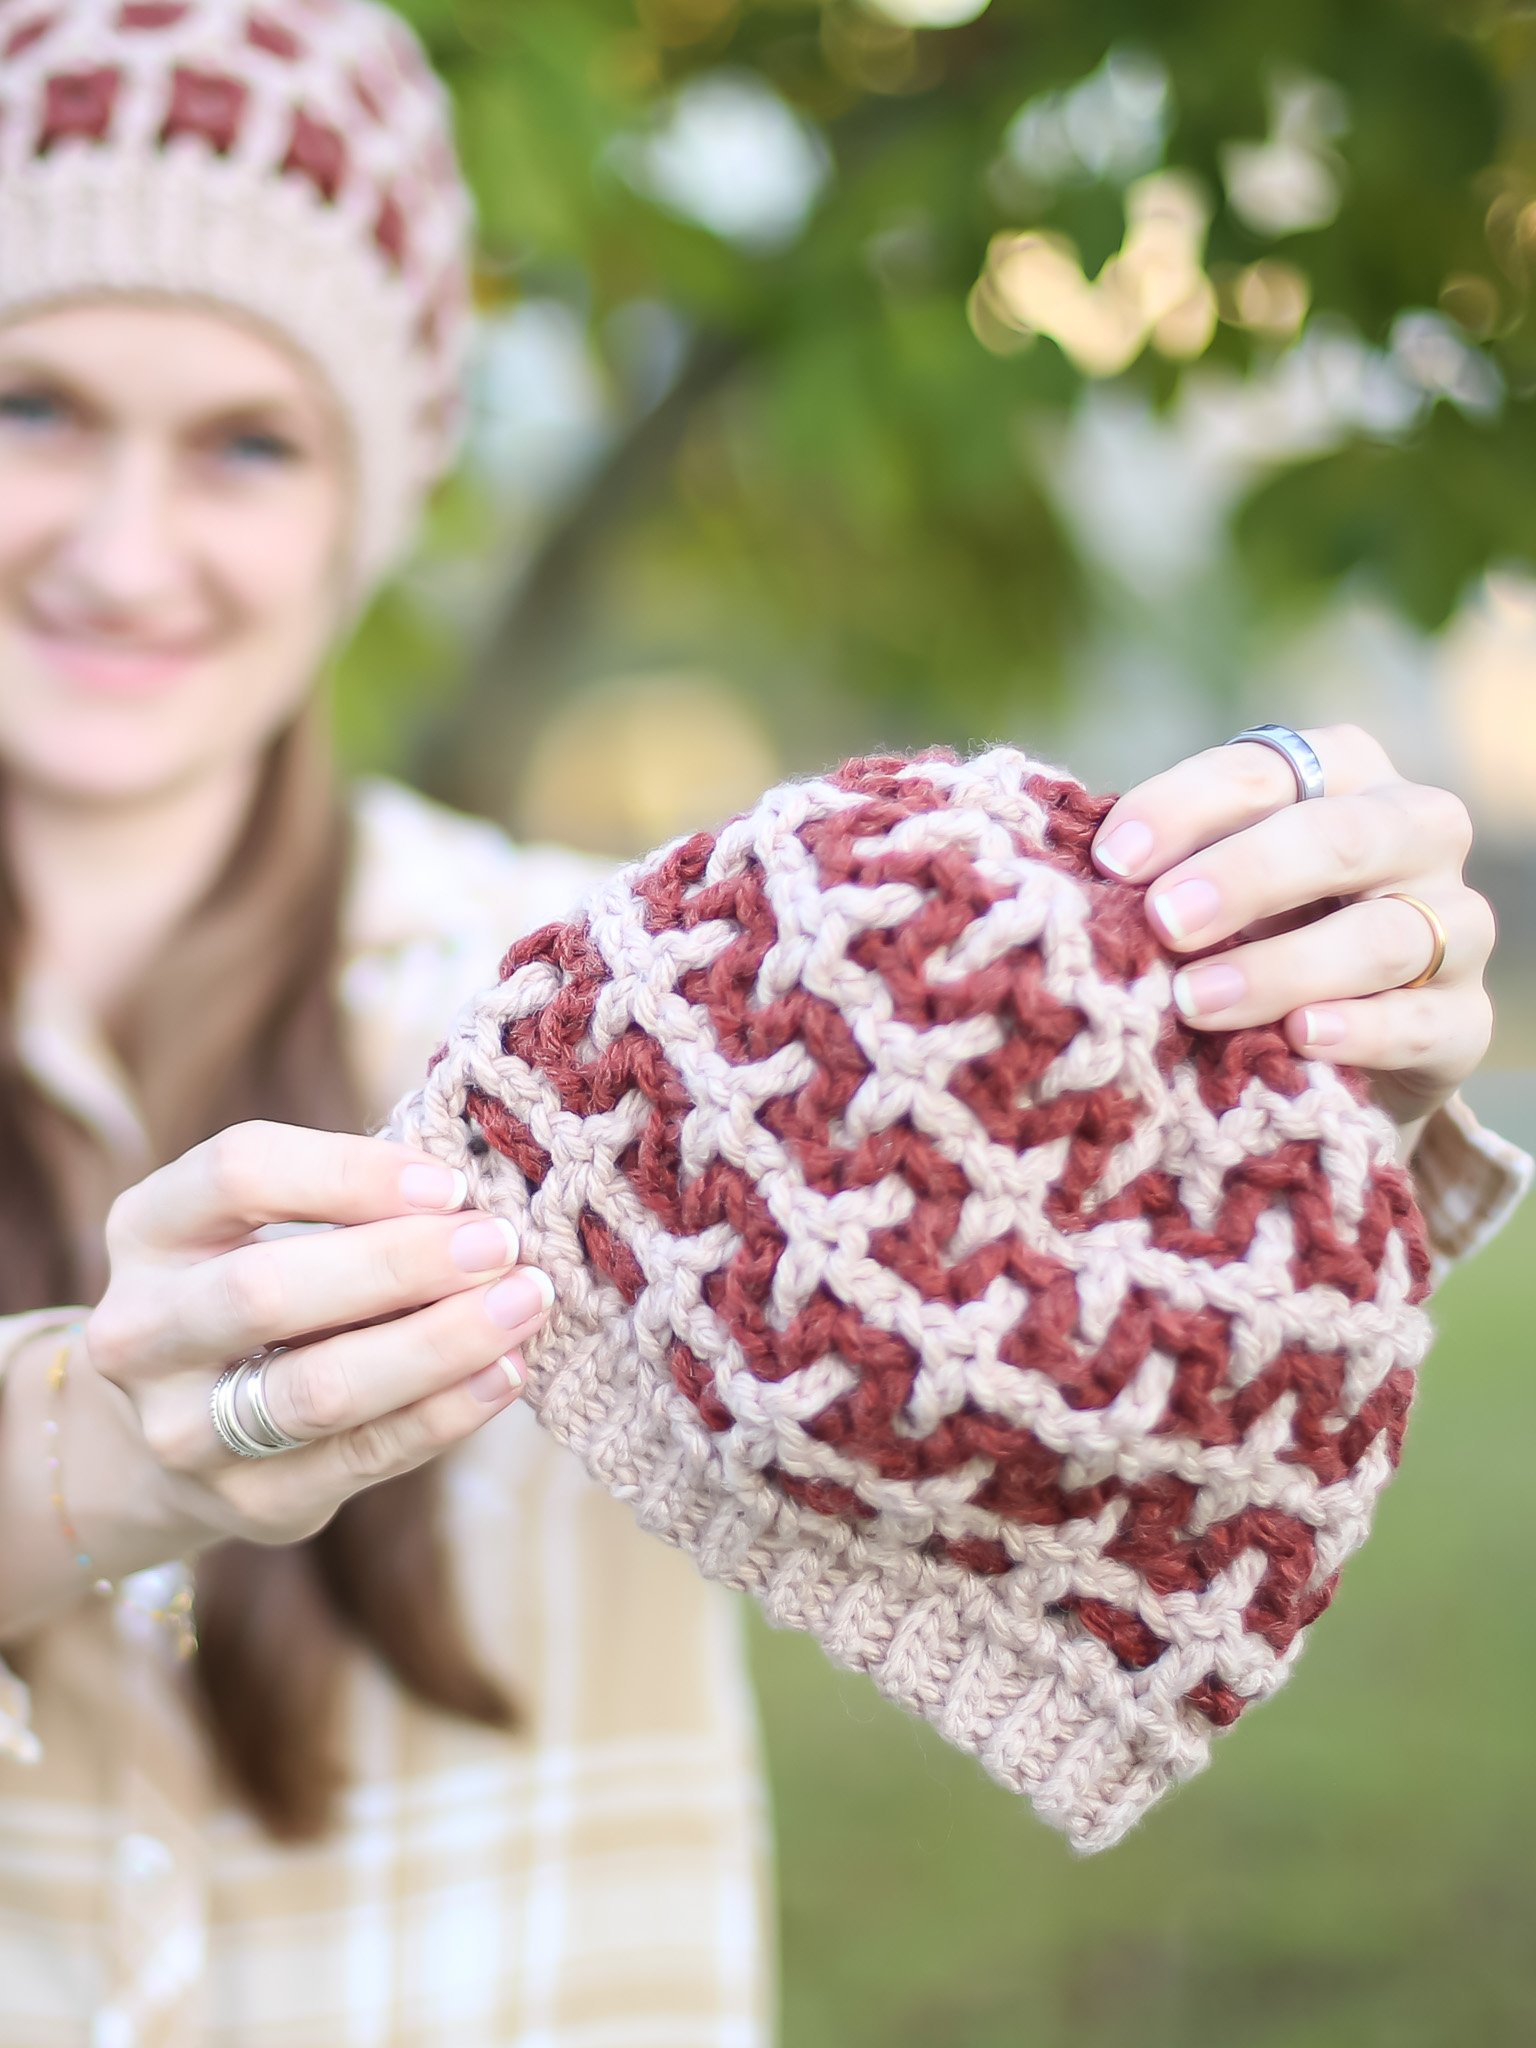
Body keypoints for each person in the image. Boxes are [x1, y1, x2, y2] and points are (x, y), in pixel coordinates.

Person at [0, 2, 1525, 2044]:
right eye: (34, 407)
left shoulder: (645, 1014)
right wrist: (74, 1458)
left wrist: (1299, 1022)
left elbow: (1053, 1351)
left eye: (248, 440)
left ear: (379, 480)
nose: (121, 545)